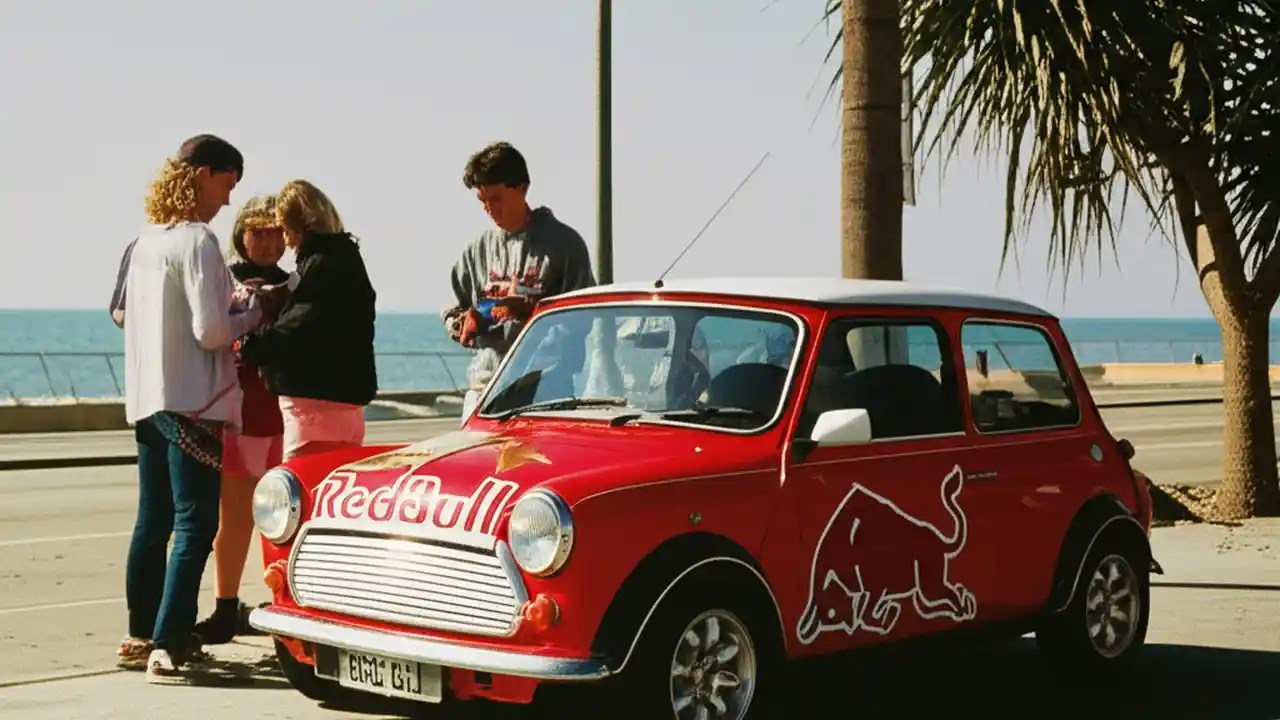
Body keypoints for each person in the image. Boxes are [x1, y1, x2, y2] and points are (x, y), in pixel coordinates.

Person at [119, 134, 267, 683]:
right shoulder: (198, 241)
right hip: (193, 404)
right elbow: (210, 331)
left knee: (151, 520)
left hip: (147, 399)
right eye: (227, 185)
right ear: (205, 174)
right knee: (196, 522)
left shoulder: (144, 241)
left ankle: (139, 634)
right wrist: (252, 312)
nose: (227, 200)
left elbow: (125, 315)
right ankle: (171, 641)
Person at [191, 195, 289, 645]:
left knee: (286, 519)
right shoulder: (228, 283)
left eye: (276, 232)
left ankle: (284, 602)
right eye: (259, 232)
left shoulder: (295, 284)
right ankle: (226, 606)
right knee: (234, 521)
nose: (269, 242)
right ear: (241, 235)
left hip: (284, 416)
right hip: (241, 416)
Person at [236, 180, 377, 461]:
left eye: (283, 230)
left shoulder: (320, 265)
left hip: (315, 402)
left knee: (304, 483)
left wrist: (245, 345)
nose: (283, 241)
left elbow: (299, 327)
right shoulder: (345, 257)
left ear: (298, 226)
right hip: (348, 397)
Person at [442, 141, 596, 391]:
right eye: (483, 200)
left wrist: (530, 312)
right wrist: (463, 322)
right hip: (486, 386)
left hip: (547, 386)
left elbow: (585, 315)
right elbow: (452, 312)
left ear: (523, 188)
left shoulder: (564, 245)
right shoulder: (476, 251)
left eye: (496, 198)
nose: (489, 209)